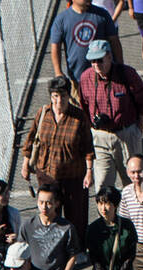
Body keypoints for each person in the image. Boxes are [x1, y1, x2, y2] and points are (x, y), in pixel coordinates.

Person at [21, 77, 94, 244]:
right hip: (46, 174)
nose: (59, 100)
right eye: (55, 96)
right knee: (50, 213)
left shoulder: (79, 117)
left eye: (62, 95)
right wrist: (25, 164)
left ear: (69, 95)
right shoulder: (43, 114)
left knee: (76, 215)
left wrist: (89, 172)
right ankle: (53, 247)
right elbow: (31, 139)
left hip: (73, 176)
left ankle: (78, 248)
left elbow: (88, 148)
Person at [79, 39, 143, 192]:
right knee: (102, 185)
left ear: (109, 57)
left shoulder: (127, 74)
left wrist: (138, 126)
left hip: (127, 134)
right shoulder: (86, 78)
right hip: (100, 137)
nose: (96, 65)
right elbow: (83, 106)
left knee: (138, 181)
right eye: (92, 61)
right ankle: (110, 215)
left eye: (99, 60)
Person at [49, 0, 122, 87]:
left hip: (103, 75)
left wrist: (120, 66)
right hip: (77, 79)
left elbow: (114, 41)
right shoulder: (62, 19)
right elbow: (55, 46)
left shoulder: (102, 15)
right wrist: (58, 72)